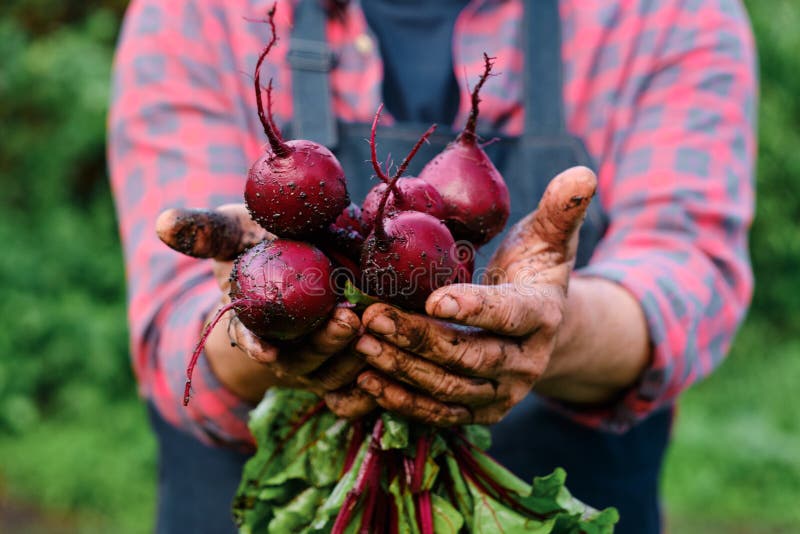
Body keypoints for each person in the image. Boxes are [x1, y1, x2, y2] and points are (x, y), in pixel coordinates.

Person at [108, 0, 757, 532]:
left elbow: (689, 268)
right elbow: (173, 329)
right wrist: (260, 332)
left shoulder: (668, 11)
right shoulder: (194, 10)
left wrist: (559, 327)